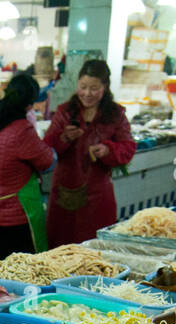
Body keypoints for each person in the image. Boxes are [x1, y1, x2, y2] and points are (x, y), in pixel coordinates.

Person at [42, 58, 136, 247]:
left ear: (105, 87)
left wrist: (108, 150)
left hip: (98, 195)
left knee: (95, 250)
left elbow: (128, 147)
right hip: (64, 192)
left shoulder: (116, 114)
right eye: (83, 87)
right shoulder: (64, 112)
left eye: (94, 88)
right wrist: (64, 138)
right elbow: (47, 149)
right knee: (60, 248)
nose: (87, 93)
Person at [0, 72, 56, 258]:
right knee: (22, 270)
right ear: (29, 105)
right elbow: (47, 162)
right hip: (17, 214)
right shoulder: (20, 130)